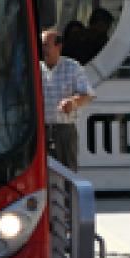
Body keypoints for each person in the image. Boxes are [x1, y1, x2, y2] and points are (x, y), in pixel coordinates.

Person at [40, 28, 94, 170]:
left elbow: (88, 95)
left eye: (46, 45)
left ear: (58, 46)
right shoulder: (36, 68)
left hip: (64, 130)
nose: (43, 49)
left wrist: (73, 102)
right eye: (41, 45)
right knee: (42, 174)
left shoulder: (72, 67)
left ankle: (69, 192)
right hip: (40, 131)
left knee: (68, 173)